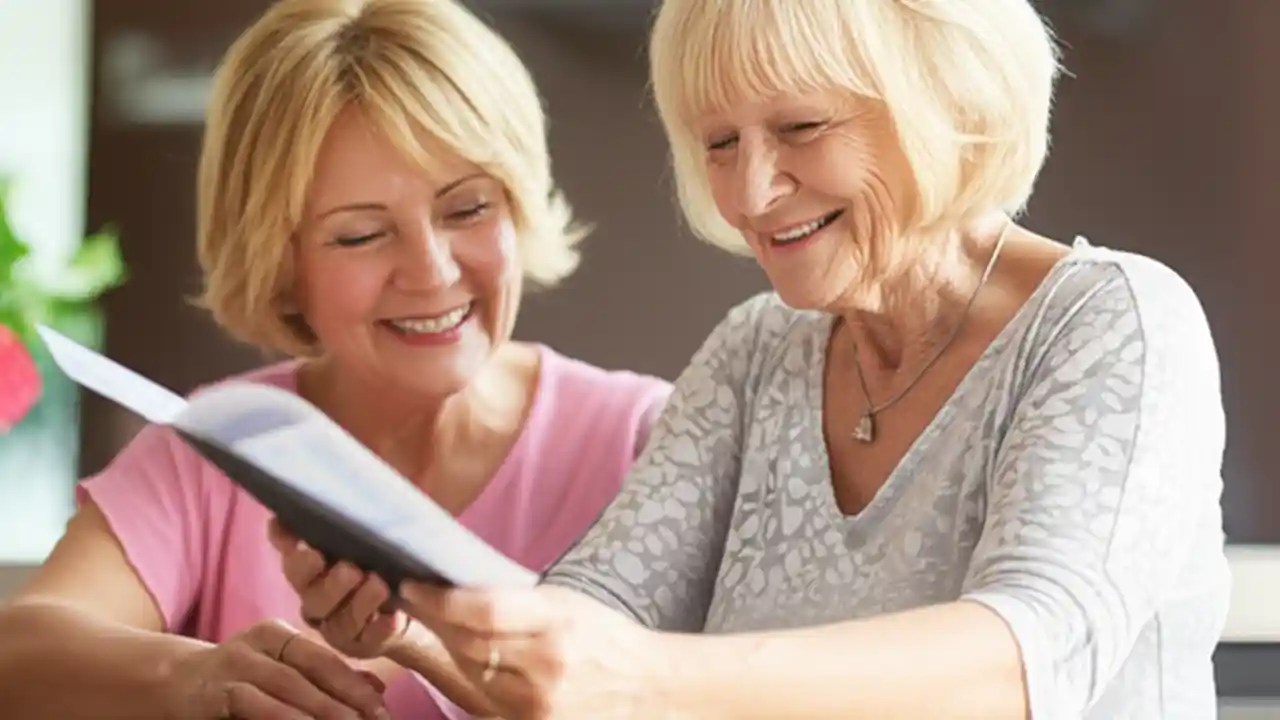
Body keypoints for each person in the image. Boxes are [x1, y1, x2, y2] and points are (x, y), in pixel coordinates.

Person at [386, 1, 1231, 718]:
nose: (750, 193)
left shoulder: (1112, 319)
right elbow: (595, 619)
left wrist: (642, 674)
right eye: (719, 144)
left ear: (946, 98)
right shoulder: (756, 351)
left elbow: (1026, 656)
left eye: (801, 127)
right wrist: (412, 627)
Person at [0, 0, 670, 718]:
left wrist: (418, 638)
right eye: (360, 236)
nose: (431, 270)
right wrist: (191, 678)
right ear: (282, 261)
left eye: (468, 209)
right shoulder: (218, 449)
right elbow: (20, 653)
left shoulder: (653, 441)